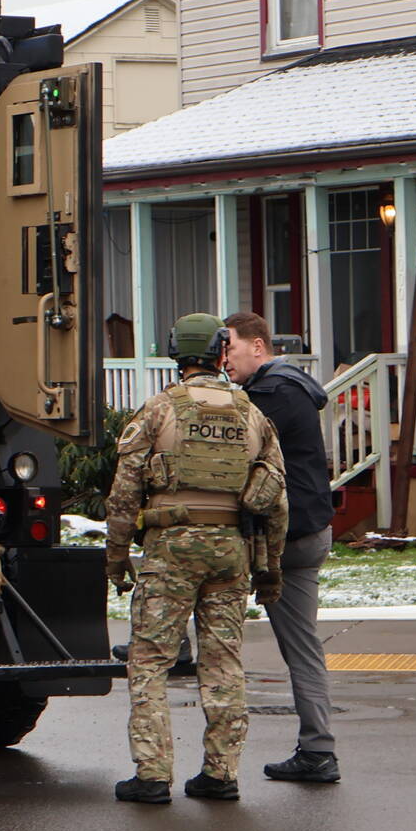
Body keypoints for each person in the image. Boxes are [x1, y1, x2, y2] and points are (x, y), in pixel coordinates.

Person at [106, 313, 287, 803]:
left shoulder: (159, 410)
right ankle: (221, 774)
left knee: (149, 661)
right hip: (230, 553)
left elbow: (124, 494)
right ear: (220, 353)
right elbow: (275, 498)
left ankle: (152, 775)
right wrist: (269, 569)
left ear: (175, 352)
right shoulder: (251, 414)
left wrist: (117, 555)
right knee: (223, 662)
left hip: (171, 550)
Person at [223, 311, 341, 784]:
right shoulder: (293, 387)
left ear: (258, 345)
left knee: (197, 579)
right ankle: (318, 750)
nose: (224, 357)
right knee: (302, 647)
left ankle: (173, 653)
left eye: (229, 346)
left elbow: (235, 456)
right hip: (308, 532)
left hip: (281, 538)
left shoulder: (271, 393)